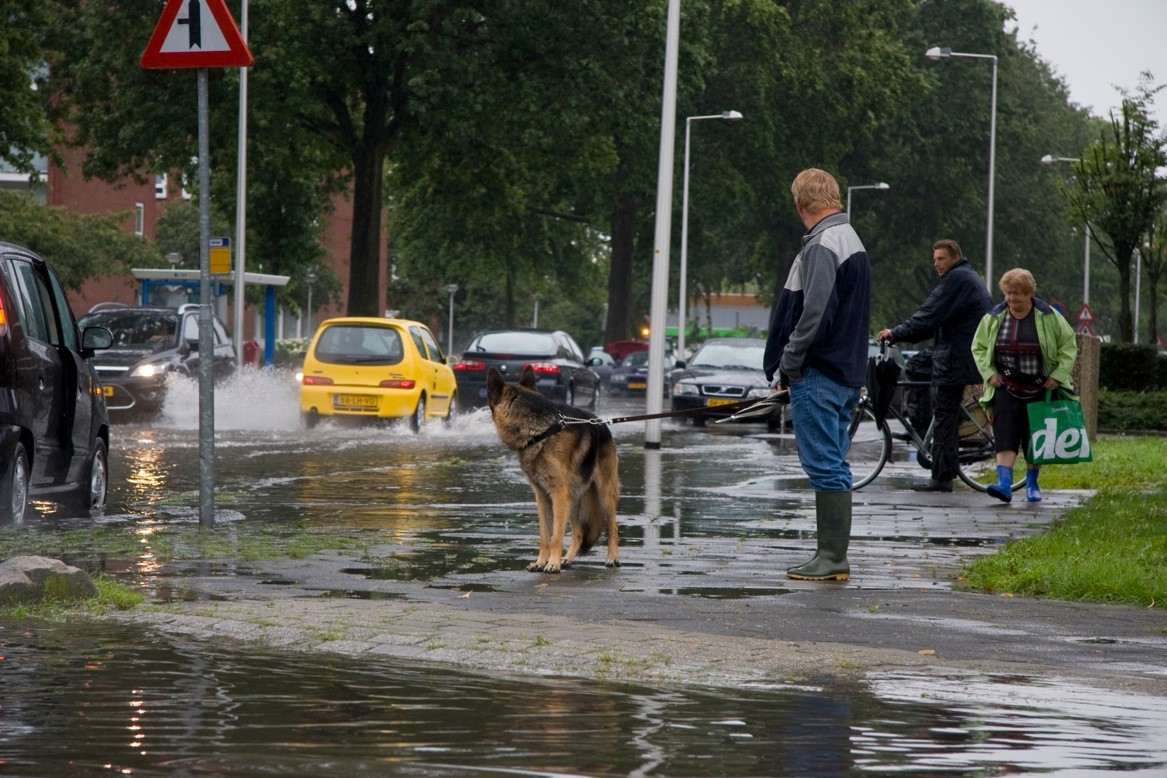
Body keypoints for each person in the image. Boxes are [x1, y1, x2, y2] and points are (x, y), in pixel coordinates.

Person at [764, 168, 871, 581]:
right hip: (845, 373)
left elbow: (815, 313)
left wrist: (789, 363)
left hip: (818, 374)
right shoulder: (850, 239)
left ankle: (831, 558)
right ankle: (832, 556)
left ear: (799, 203)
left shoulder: (822, 244)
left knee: (824, 465)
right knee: (835, 463)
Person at [877, 239, 991, 492]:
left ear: (955, 257)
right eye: (935, 259)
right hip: (955, 349)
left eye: (941, 259)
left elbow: (928, 315)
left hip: (959, 354)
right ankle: (922, 429)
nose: (936, 264)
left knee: (945, 415)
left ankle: (941, 477)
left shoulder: (957, 280)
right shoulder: (962, 276)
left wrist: (895, 333)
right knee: (916, 365)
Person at [971, 268, 1077, 503]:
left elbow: (1068, 345)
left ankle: (1032, 483)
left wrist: (1058, 376)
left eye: (1017, 293)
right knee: (1005, 434)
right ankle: (1004, 485)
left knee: (1034, 436)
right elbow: (978, 347)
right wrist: (989, 374)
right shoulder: (995, 316)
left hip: (1039, 387)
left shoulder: (1048, 316)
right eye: (1008, 293)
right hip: (1006, 386)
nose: (1011, 298)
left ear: (1029, 293)